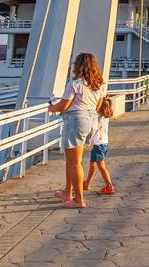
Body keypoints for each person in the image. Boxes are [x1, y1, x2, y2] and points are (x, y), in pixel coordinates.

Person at [48, 52, 107, 208]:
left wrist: (52, 107)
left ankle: (79, 200)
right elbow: (98, 106)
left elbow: (63, 106)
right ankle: (68, 192)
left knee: (75, 162)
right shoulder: (99, 85)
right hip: (91, 121)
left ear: (78, 66)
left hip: (76, 121)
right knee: (72, 160)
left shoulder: (75, 84)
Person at [84, 94, 115, 195]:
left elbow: (95, 129)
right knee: (92, 164)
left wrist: (86, 139)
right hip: (102, 144)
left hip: (99, 145)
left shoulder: (101, 119)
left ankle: (109, 186)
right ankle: (87, 183)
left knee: (101, 166)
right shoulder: (104, 117)